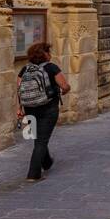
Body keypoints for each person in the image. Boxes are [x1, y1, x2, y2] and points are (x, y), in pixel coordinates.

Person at [16, 42, 70, 183]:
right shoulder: (52, 68)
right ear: (45, 54)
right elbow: (64, 86)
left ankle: (46, 162)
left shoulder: (24, 70)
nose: (50, 54)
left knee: (38, 138)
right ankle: (33, 174)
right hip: (48, 109)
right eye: (49, 51)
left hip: (29, 108)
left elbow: (19, 90)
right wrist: (65, 89)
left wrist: (19, 109)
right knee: (41, 140)